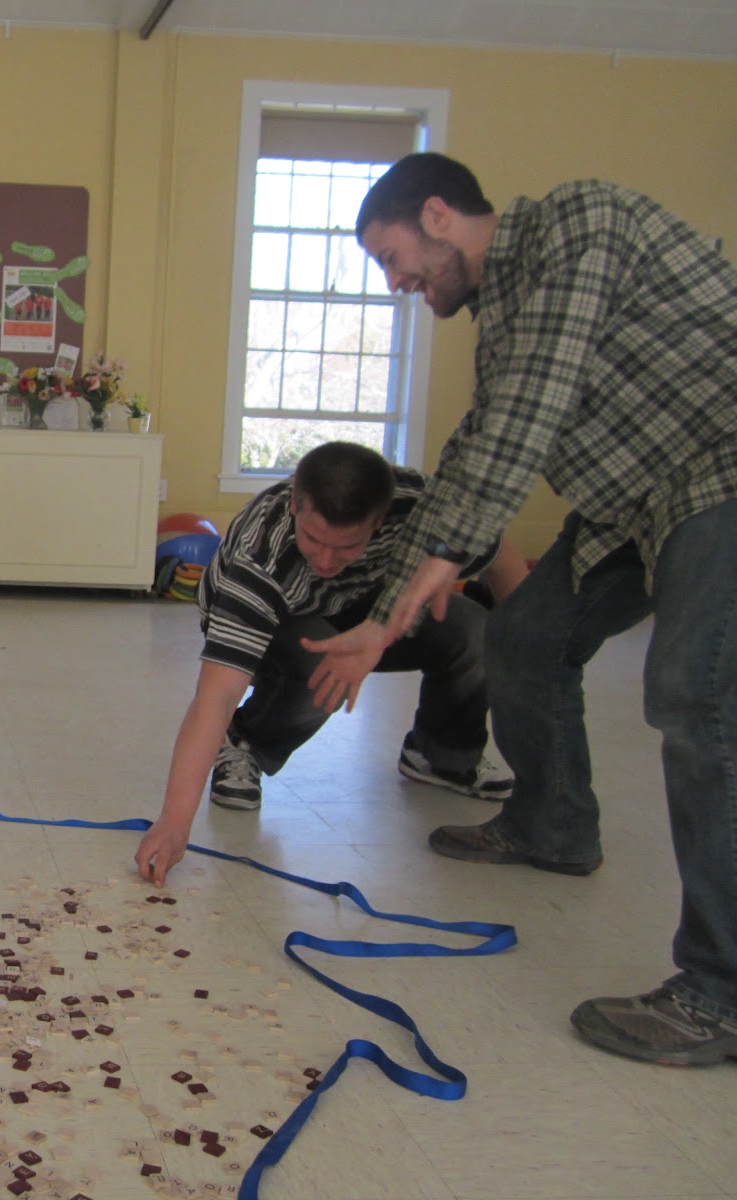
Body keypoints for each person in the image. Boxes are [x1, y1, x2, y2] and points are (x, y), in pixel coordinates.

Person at [310, 152, 737, 1066]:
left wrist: (405, 599)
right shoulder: (501, 315)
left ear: (436, 214)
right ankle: (552, 825)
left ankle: (721, 992)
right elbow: (477, 445)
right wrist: (388, 610)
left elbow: (520, 426)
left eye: (394, 259)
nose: (398, 286)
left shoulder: (582, 223)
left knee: (696, 698)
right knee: (530, 635)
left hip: (723, 466)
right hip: (638, 500)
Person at [135, 441, 523, 883]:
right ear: (297, 505)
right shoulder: (259, 556)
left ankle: (441, 754)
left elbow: (497, 550)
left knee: (476, 629)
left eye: (346, 547)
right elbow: (217, 695)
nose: (325, 560)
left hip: (365, 606)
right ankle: (246, 743)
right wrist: (174, 821)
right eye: (314, 540)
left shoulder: (423, 508)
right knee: (318, 664)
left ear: (379, 521)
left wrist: (529, 648)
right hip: (277, 619)